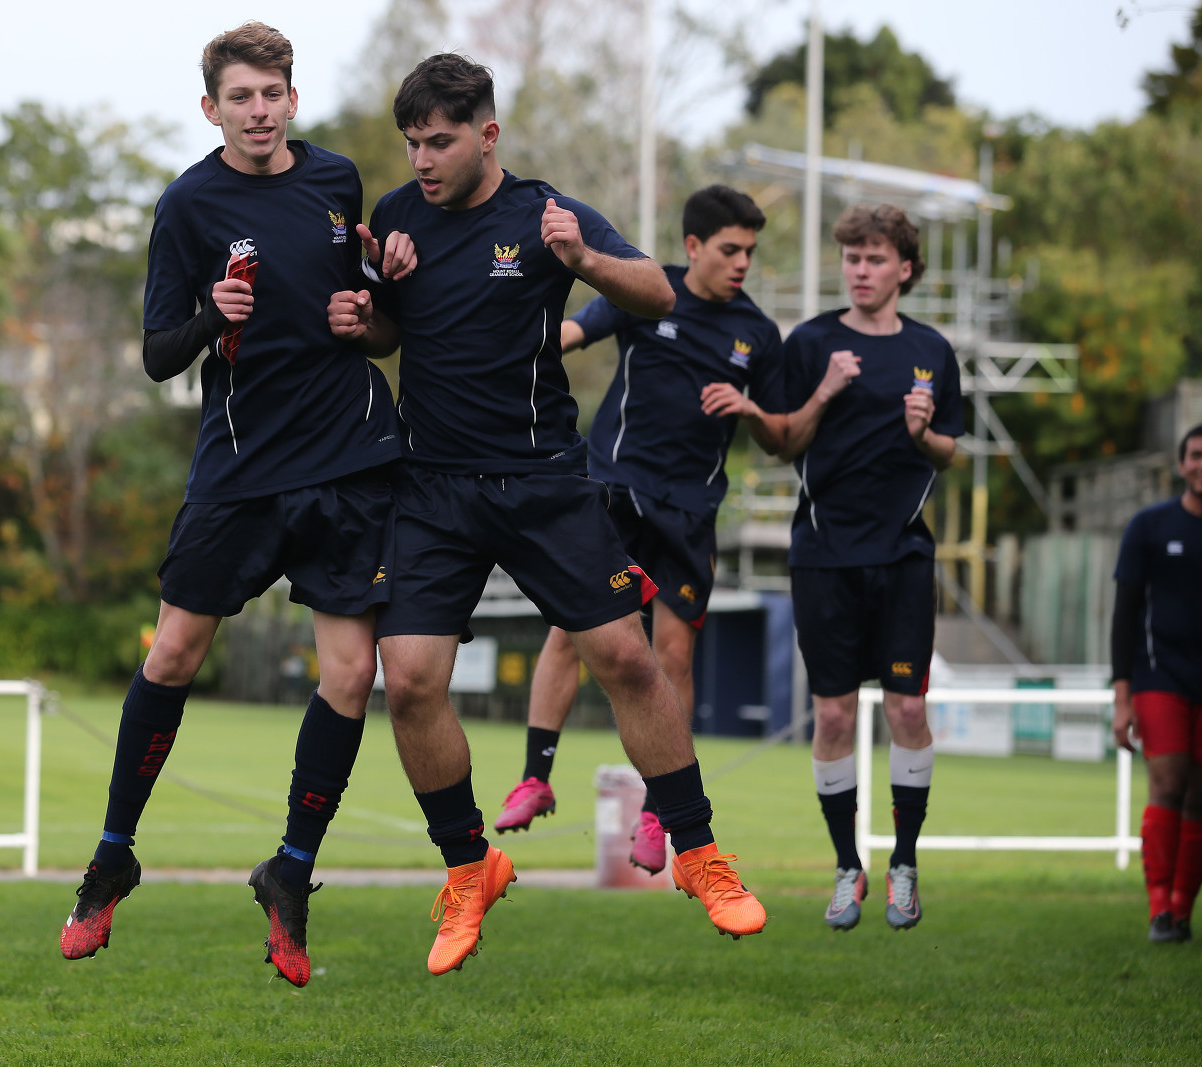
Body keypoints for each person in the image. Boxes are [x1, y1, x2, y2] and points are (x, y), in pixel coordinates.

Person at [329, 54, 767, 977]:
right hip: (434, 487)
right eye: (411, 143)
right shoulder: (399, 219)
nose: (421, 160)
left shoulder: (544, 212)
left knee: (624, 656)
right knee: (405, 678)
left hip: (541, 480)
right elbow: (389, 334)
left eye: (439, 141)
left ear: (487, 135)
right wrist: (362, 310)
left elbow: (654, 290)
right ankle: (467, 867)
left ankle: (698, 852)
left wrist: (584, 260)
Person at [57, 22, 416, 987]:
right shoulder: (186, 205)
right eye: (240, 97)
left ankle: (290, 871)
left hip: (349, 460)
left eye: (273, 94)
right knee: (173, 650)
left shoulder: (340, 184)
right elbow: (157, 354)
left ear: (293, 101)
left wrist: (370, 317)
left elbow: (377, 322)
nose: (258, 111)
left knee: (351, 674)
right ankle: (113, 855)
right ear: (210, 108)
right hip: (242, 466)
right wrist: (214, 313)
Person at [492, 185, 788, 878]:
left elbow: (781, 438)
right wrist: (507, 350)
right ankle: (536, 776)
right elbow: (569, 333)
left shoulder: (758, 335)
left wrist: (748, 408)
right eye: (729, 249)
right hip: (614, 490)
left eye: (750, 250)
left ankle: (659, 810)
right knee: (570, 632)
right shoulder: (647, 290)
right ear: (693, 248)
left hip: (689, 512)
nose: (742, 261)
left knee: (672, 658)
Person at [778, 204, 962, 932]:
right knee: (832, 712)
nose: (860, 269)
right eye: (852, 257)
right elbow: (782, 439)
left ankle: (905, 864)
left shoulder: (933, 350)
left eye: (875, 258)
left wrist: (923, 432)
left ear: (904, 269)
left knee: (908, 709)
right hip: (823, 554)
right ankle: (847, 866)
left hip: (905, 554)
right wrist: (824, 390)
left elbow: (952, 449)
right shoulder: (811, 341)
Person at [1112, 423, 1202, 943]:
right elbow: (1124, 616)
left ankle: (1184, 909)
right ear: (1180, 462)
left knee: (1200, 799)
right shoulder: (1148, 526)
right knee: (1169, 783)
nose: (1200, 464)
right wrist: (1122, 697)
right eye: (1194, 455)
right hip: (1158, 675)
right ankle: (1159, 909)